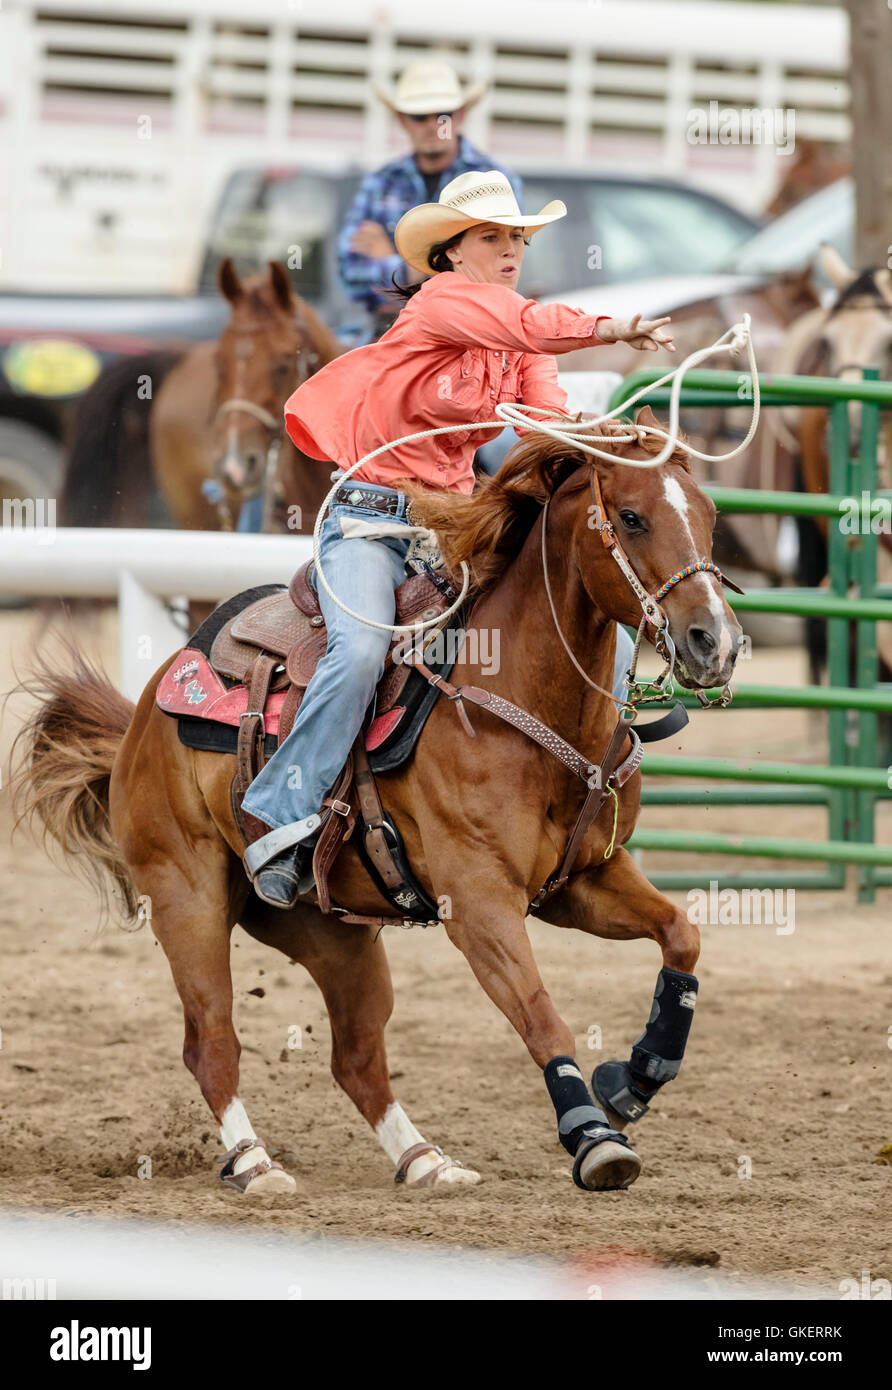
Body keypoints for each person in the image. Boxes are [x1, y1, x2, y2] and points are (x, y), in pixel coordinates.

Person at [242, 170, 675, 908]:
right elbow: (529, 326)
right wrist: (610, 328)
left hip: (454, 521)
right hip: (370, 522)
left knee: (582, 622)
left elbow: (547, 423)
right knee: (359, 652)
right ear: (449, 252)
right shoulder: (446, 306)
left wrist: (608, 440)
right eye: (493, 237)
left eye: (518, 238)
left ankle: (575, 778)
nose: (511, 250)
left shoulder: (519, 336)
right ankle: (279, 819)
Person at [337, 58, 522, 336]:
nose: (432, 125)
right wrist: (445, 263)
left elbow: (497, 269)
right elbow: (350, 272)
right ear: (402, 121)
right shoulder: (381, 182)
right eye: (419, 116)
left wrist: (403, 264)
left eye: (443, 115)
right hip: (390, 333)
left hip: (472, 331)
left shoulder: (496, 180)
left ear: (460, 116)